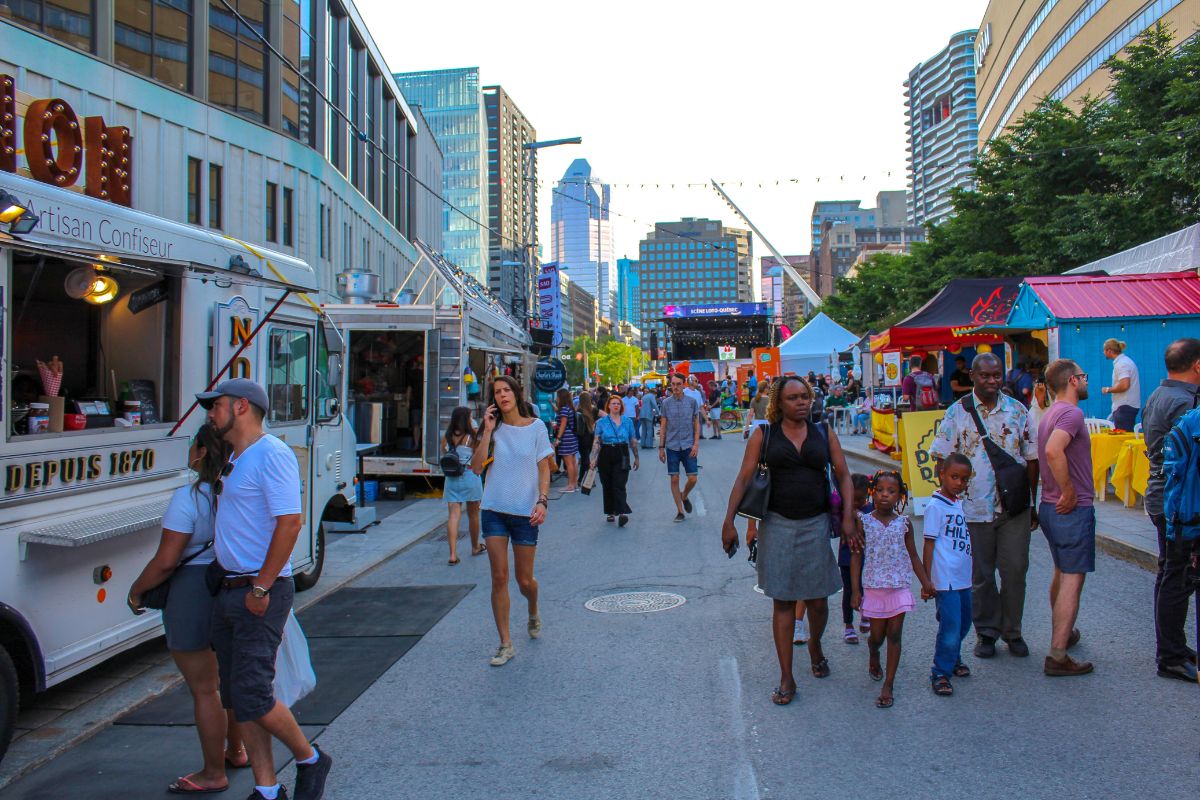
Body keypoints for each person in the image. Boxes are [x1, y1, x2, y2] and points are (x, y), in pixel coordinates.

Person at [197, 378, 332, 800]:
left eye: (216, 406)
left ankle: (310, 758)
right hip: (230, 588)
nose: (210, 414)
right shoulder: (236, 457)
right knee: (240, 697)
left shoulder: (271, 453)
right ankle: (267, 788)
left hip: (258, 591)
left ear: (241, 407)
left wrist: (261, 588)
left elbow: (290, 523)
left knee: (253, 694)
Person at [722, 376, 858, 706]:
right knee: (783, 601)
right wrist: (729, 521)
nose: (801, 402)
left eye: (805, 397)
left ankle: (815, 643)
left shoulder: (823, 432)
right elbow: (744, 478)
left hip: (816, 524)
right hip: (777, 524)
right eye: (793, 398)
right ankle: (786, 676)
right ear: (779, 404)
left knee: (818, 600)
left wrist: (849, 516)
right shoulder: (764, 435)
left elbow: (843, 474)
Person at [127, 425, 246, 794]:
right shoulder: (239, 492)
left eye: (193, 444)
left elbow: (166, 561)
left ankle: (213, 773)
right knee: (231, 680)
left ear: (201, 452)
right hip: (233, 584)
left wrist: (136, 591)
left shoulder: (188, 497)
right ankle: (237, 750)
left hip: (193, 592)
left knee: (205, 690)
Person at [928, 352, 1039, 660]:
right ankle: (987, 632)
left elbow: (1032, 459)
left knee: (1015, 571)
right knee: (981, 575)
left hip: (1013, 507)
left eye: (997, 375)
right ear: (973, 377)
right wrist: (949, 500)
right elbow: (941, 458)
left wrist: (1032, 502)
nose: (992, 381)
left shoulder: (1018, 410)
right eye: (985, 376)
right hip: (972, 508)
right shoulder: (957, 412)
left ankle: (1013, 631)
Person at [470, 376, 554, 667]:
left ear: (516, 394)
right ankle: (505, 644)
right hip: (493, 509)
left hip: (525, 512)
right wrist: (487, 431)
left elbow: (544, 468)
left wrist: (542, 500)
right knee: (499, 577)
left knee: (524, 580)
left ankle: (533, 607)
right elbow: (476, 467)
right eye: (497, 392)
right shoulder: (493, 430)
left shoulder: (536, 427)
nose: (502, 395)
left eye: (507, 390)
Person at [1141, 338, 1200, 682]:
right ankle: (1171, 656)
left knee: (1170, 574)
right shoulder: (1184, 403)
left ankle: (1172, 648)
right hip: (1179, 503)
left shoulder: (1158, 395)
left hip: (1161, 497)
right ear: (1197, 365)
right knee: (1178, 577)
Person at [851, 470, 933, 708]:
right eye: (880, 490)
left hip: (899, 587)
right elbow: (856, 556)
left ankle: (888, 684)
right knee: (877, 637)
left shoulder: (904, 524)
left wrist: (926, 582)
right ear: (872, 493)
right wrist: (855, 590)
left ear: (900, 496)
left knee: (895, 635)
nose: (884, 495)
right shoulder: (864, 521)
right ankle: (873, 652)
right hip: (874, 587)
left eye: (891, 491)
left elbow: (913, 555)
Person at [1038, 359, 1095, 677]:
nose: (1086, 381)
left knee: (1062, 571)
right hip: (1069, 508)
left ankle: (1064, 633)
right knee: (1073, 578)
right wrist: (1069, 491)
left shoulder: (1050, 413)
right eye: (1083, 376)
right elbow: (1052, 451)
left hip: (1050, 506)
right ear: (1073, 380)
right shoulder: (1072, 414)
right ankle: (1058, 653)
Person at [922, 453, 975, 697]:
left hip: (963, 577)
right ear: (941, 474)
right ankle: (941, 672)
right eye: (954, 477)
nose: (959, 483)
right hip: (945, 579)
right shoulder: (936, 506)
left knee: (965, 621)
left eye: (964, 479)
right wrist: (927, 580)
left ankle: (953, 656)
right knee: (951, 626)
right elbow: (929, 544)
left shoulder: (958, 504)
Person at [443, 407, 484, 565]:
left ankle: (452, 554)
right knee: (473, 515)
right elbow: (479, 456)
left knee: (453, 515)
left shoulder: (447, 436)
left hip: (452, 478)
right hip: (469, 475)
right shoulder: (472, 436)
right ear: (467, 419)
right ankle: (475, 546)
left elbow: (444, 452)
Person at [590, 394, 639, 526]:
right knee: (607, 484)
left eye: (618, 404)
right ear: (609, 406)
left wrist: (636, 458)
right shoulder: (601, 422)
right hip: (606, 452)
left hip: (622, 452)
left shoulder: (627, 421)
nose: (616, 405)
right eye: (614, 404)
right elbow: (597, 441)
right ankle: (610, 511)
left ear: (621, 406)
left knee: (620, 483)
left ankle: (622, 512)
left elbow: (633, 440)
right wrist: (593, 459)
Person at [659, 373, 702, 523]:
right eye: (673, 384)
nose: (675, 387)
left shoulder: (692, 402)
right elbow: (663, 426)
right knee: (674, 478)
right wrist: (661, 447)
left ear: (684, 385)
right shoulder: (666, 403)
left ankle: (684, 495)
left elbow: (696, 424)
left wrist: (696, 444)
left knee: (693, 478)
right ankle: (680, 511)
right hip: (672, 446)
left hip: (688, 444)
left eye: (678, 384)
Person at [838, 474, 872, 645]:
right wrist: (850, 514)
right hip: (847, 556)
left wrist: (859, 516)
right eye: (853, 499)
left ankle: (866, 614)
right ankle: (848, 624)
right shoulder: (843, 511)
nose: (857, 503)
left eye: (861, 499)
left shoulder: (871, 509)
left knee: (866, 587)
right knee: (849, 590)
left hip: (867, 557)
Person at [1101, 338, 1142, 431]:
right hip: (1127, 406)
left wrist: (1107, 389)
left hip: (1124, 406)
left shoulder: (1122, 364)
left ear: (1109, 351)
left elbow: (1124, 385)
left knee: (1123, 437)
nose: (1103, 352)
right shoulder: (1125, 361)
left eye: (1104, 350)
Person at [552, 388, 580, 493]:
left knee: (569, 463)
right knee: (573, 462)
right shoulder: (569, 408)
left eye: (557, 396)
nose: (556, 399)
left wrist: (558, 438)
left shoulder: (564, 409)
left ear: (561, 397)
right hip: (572, 436)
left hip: (566, 437)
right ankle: (575, 484)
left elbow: (563, 424)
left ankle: (570, 486)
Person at [575, 393, 598, 487]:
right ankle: (580, 480)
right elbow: (601, 418)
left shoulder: (579, 410)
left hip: (582, 437)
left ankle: (590, 480)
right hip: (590, 435)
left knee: (585, 459)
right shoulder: (594, 409)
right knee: (585, 458)